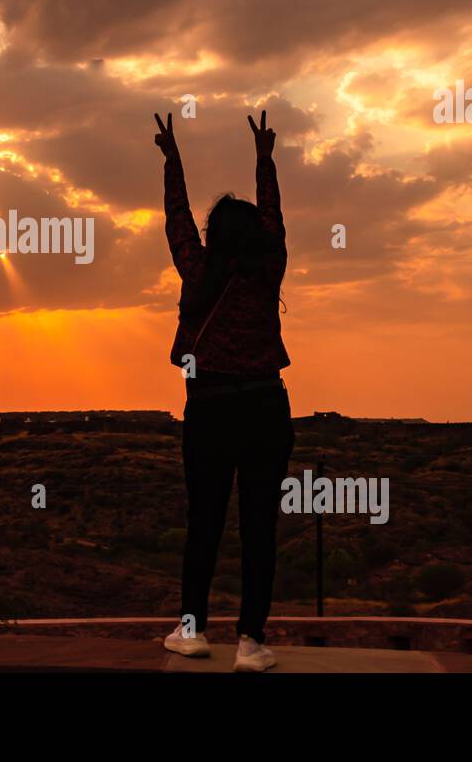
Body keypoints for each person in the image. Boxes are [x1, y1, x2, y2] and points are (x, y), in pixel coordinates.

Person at [154, 109, 294, 672]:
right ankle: (251, 642)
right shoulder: (269, 271)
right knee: (260, 525)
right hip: (265, 404)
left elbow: (176, 219)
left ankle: (191, 630)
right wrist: (265, 157)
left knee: (205, 522)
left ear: (214, 239)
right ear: (257, 234)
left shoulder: (198, 271)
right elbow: (275, 217)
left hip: (209, 408)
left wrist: (173, 159)